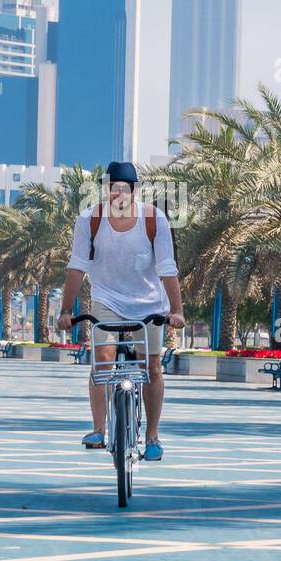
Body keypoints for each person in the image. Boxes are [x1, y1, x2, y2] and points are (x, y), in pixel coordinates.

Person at [57, 160, 184, 461]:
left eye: (124, 190)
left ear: (135, 191)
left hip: (149, 304)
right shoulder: (90, 220)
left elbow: (167, 269)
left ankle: (152, 436)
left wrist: (176, 311)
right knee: (102, 360)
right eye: (112, 190)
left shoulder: (154, 220)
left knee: (151, 368)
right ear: (105, 191)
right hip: (107, 300)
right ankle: (99, 429)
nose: (118, 196)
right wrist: (65, 310)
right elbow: (77, 267)